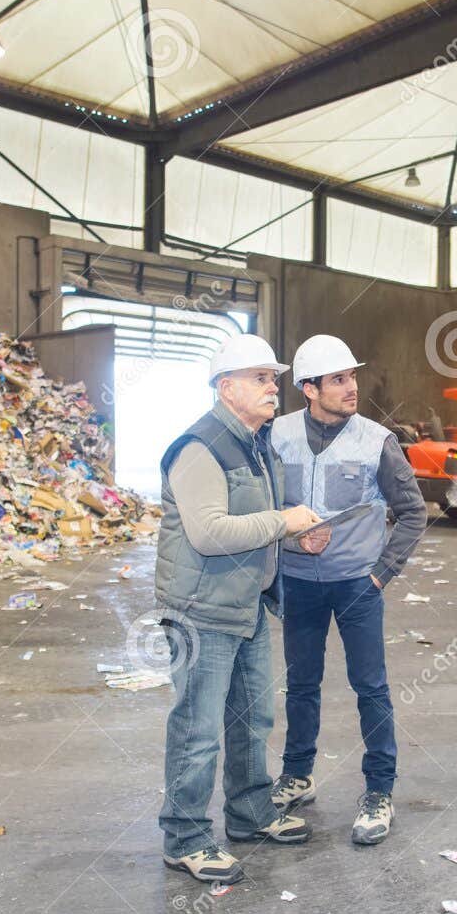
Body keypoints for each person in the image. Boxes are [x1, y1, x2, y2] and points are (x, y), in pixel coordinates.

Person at [155, 333, 327, 885]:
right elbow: (209, 533)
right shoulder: (199, 448)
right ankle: (184, 837)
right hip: (201, 610)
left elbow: (257, 519)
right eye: (259, 378)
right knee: (198, 728)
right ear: (226, 388)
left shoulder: (258, 443)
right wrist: (283, 522)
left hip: (246, 602)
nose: (272, 387)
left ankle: (249, 811)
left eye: (273, 378)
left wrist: (297, 535)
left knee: (252, 718)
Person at [269, 335, 426, 845]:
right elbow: (262, 506)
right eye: (338, 379)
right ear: (309, 389)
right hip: (298, 583)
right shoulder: (276, 436)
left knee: (370, 687)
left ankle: (379, 790)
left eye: (352, 376)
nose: (352, 387)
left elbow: (414, 512)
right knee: (301, 684)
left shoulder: (377, 441)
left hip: (358, 585)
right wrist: (284, 543)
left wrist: (381, 573)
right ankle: (297, 775)